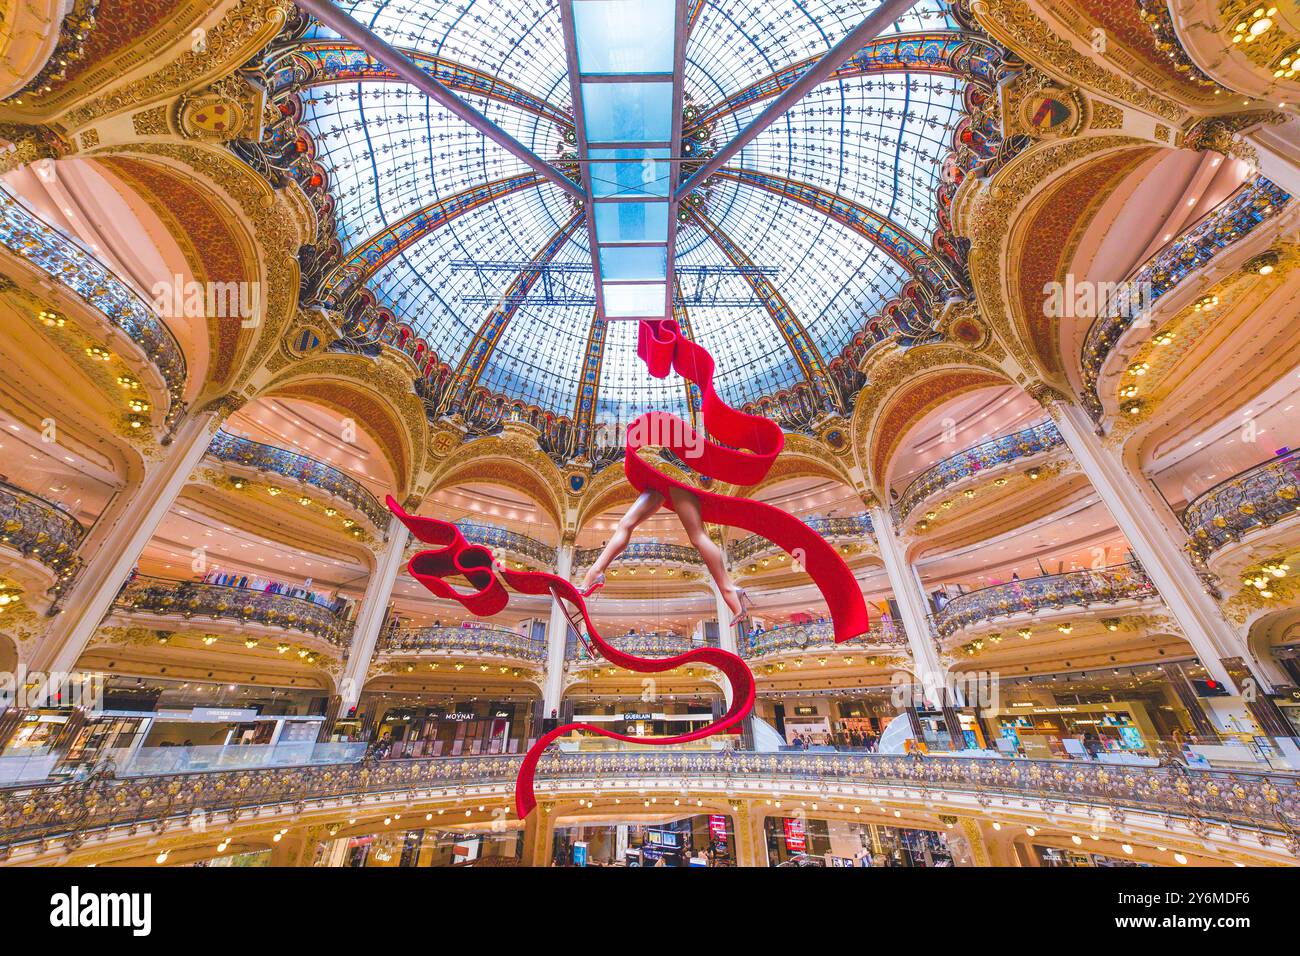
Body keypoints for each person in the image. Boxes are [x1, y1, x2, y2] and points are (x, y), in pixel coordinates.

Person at [577, 486, 752, 625]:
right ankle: (596, 571)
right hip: (660, 474)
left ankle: (728, 588)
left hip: (671, 472)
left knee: (697, 535)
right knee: (626, 524)